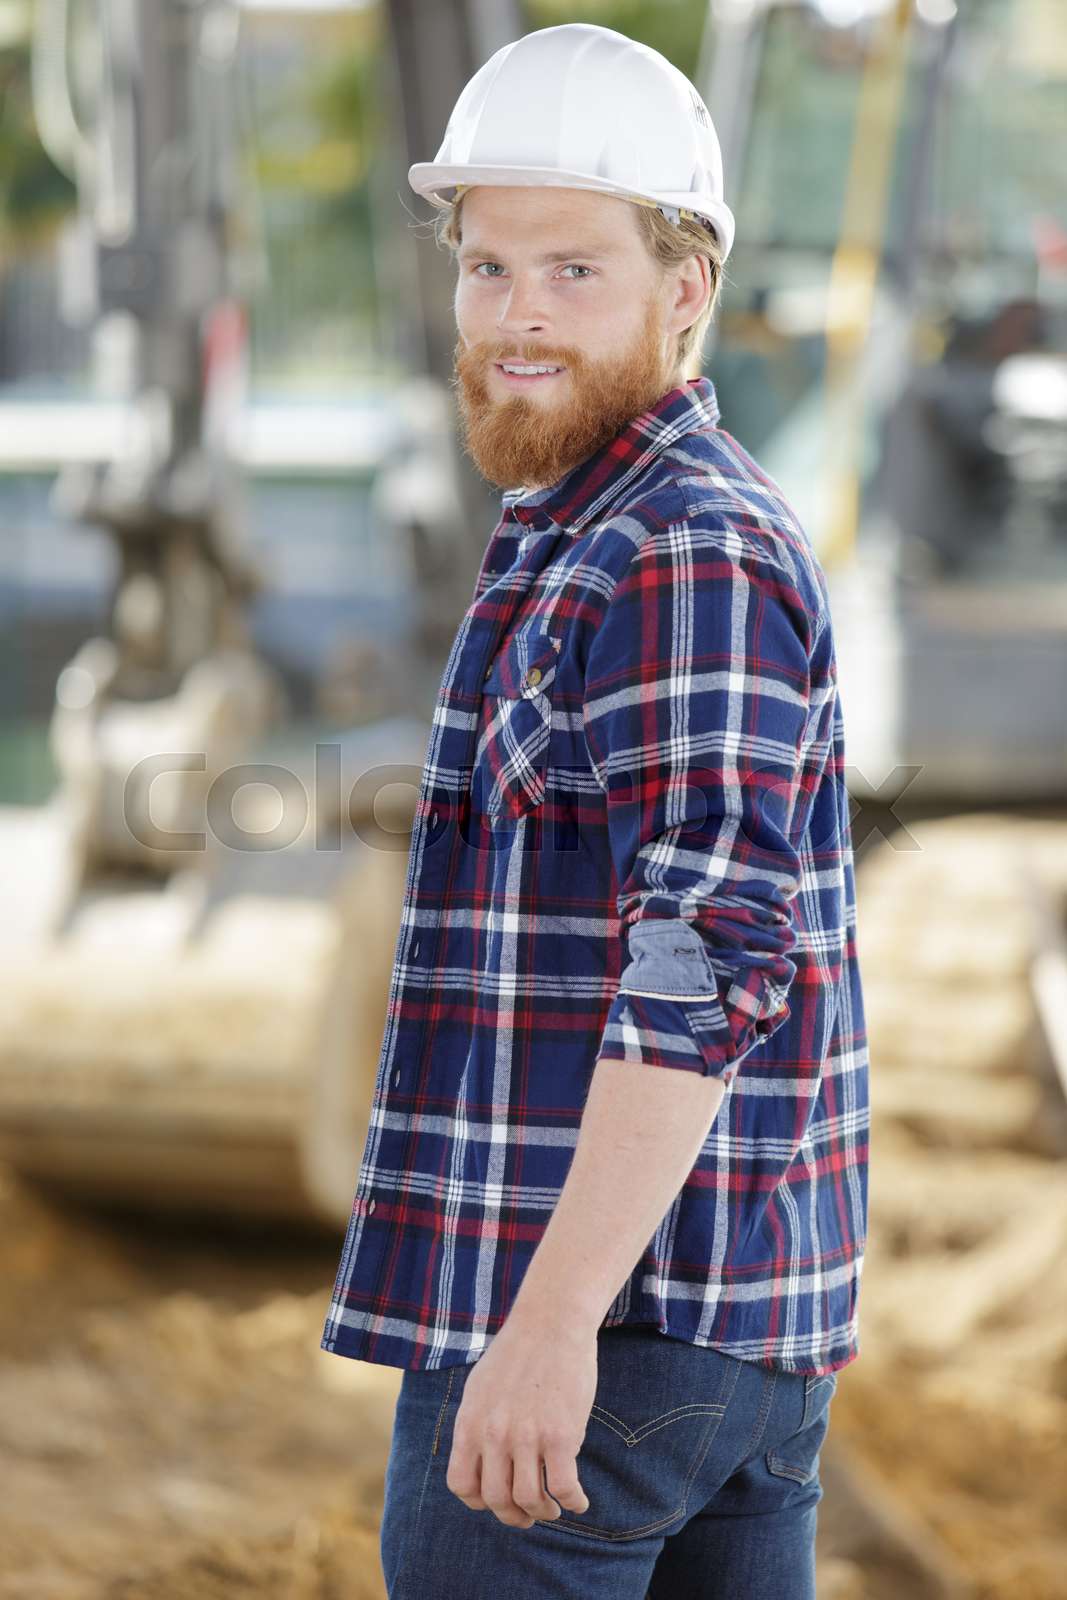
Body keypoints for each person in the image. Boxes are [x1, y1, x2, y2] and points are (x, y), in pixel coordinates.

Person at [320, 22, 869, 1599]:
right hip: (711, 1333)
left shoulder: (675, 548)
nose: (513, 318)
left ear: (685, 291)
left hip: (602, 1340)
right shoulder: (587, 522)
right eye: (487, 269)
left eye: (572, 271)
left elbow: (708, 960)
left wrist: (550, 1324)